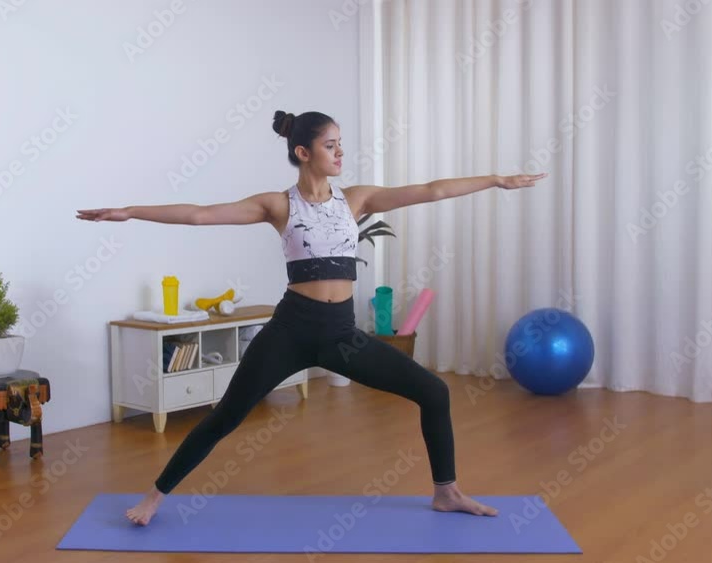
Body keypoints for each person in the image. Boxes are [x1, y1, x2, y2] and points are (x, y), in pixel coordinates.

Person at [76, 110, 546, 526]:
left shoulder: (356, 200)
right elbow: (200, 215)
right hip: (290, 330)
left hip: (340, 334)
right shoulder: (278, 204)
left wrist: (495, 180)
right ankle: (155, 496)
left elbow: (430, 190)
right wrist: (131, 212)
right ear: (303, 152)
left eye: (341, 143)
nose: (341, 152)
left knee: (433, 391)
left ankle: (447, 492)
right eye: (330, 145)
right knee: (225, 417)